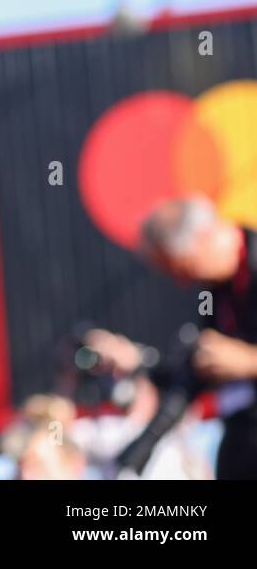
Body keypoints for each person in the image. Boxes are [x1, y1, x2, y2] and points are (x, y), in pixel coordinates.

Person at [87, 194, 257, 478]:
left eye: (180, 267)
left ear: (203, 238)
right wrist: (140, 361)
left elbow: (239, 361)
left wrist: (249, 361)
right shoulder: (217, 291)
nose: (182, 281)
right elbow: (194, 376)